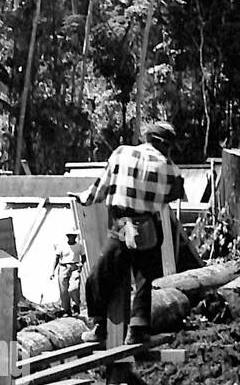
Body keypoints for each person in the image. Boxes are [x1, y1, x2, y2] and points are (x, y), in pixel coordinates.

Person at [78, 121, 184, 345]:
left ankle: (98, 325)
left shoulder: (121, 153)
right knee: (145, 278)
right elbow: (173, 195)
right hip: (148, 226)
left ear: (148, 139)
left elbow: (101, 186)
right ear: (164, 145)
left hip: (122, 224)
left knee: (100, 274)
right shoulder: (171, 169)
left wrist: (85, 198)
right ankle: (138, 329)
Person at [50, 230, 85, 316]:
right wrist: (52, 271)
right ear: (67, 236)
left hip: (74, 267)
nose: (72, 237)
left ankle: (75, 306)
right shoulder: (62, 246)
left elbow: (83, 257)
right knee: (63, 290)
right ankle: (66, 310)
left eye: (73, 236)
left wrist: (81, 264)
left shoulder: (79, 246)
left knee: (74, 287)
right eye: (70, 236)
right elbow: (57, 258)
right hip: (63, 267)